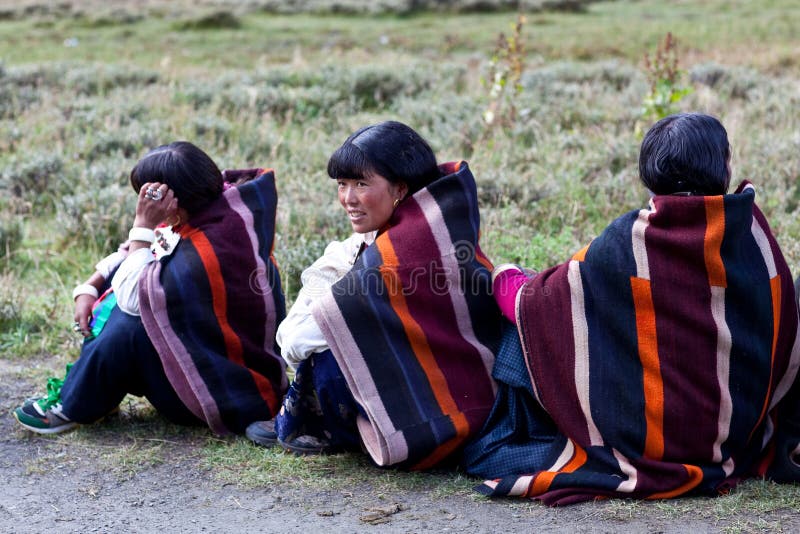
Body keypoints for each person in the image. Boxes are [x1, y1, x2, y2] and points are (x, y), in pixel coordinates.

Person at [465, 113, 800, 504]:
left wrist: (505, 275)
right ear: (723, 167)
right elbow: (783, 322)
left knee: (527, 332)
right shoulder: (752, 233)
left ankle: (510, 432)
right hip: (733, 438)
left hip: (648, 441)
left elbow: (532, 305)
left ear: (648, 173)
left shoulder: (628, 242)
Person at [247, 121, 503, 468]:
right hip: (434, 383)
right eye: (342, 184)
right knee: (331, 340)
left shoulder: (408, 250)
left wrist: (318, 319)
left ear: (400, 188)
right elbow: (328, 272)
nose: (348, 199)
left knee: (329, 360)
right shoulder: (402, 228)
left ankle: (354, 430)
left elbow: (299, 339)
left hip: (450, 401)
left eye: (362, 184)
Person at [14, 142, 287, 435]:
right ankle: (96, 392)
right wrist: (90, 287)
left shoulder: (209, 248)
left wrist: (142, 224)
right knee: (129, 287)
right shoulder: (212, 208)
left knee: (130, 327)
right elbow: (141, 251)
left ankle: (74, 405)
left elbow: (134, 295)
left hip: (231, 390)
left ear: (173, 202)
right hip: (215, 359)